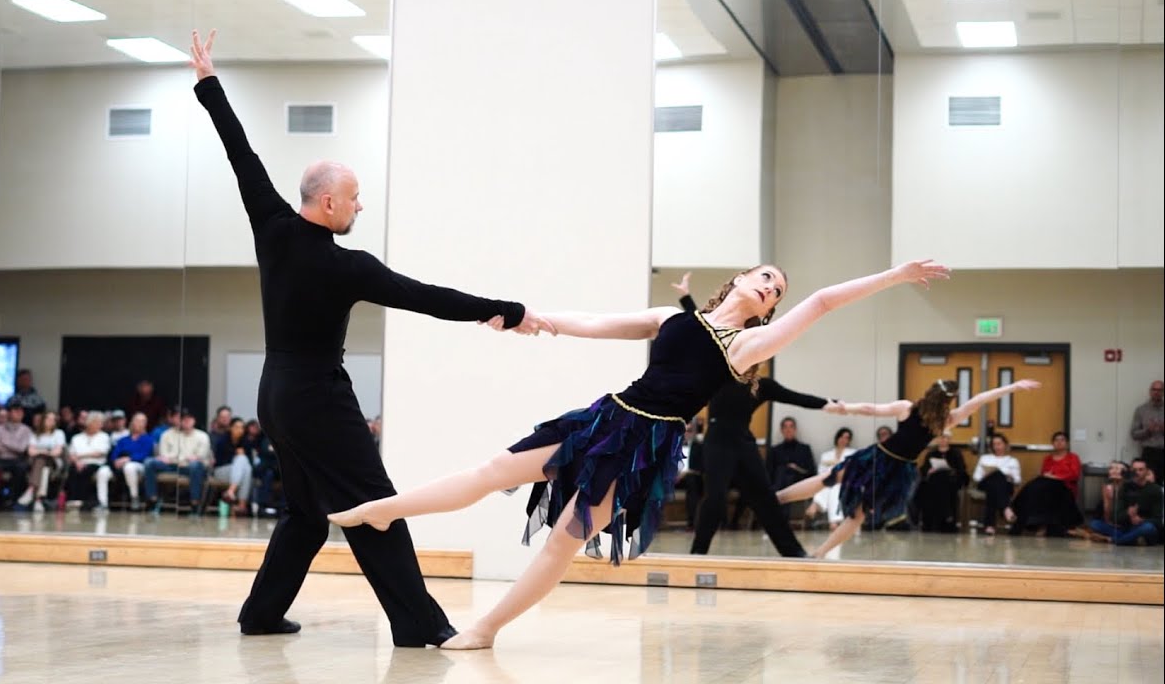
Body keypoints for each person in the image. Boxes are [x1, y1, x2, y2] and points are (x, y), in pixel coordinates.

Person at [331, 258, 951, 649]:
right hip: (604, 418)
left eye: (777, 289)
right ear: (737, 280)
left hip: (645, 448)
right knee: (494, 471)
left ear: (769, 310)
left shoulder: (747, 347)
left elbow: (821, 303)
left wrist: (895, 276)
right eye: (764, 276)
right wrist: (532, 318)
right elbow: (599, 323)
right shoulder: (673, 318)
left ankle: (486, 629)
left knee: (563, 542)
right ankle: (385, 509)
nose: (770, 287)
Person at [188, 30, 549, 645]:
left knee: (306, 511)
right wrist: (506, 310)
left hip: (273, 395)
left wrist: (209, 84)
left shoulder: (271, 225)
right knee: (374, 504)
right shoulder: (346, 266)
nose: (359, 207)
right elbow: (429, 298)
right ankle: (419, 625)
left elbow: (240, 154)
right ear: (327, 202)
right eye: (353, 199)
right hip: (317, 397)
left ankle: (261, 613)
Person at [776, 377, 1039, 558]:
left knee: (829, 478)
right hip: (895, 468)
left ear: (929, 394)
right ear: (948, 401)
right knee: (857, 514)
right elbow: (979, 400)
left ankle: (778, 499)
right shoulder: (947, 420)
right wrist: (1013, 387)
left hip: (881, 459)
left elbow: (870, 409)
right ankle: (818, 553)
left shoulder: (908, 408)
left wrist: (844, 409)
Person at [672, 277, 835, 557]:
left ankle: (794, 554)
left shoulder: (762, 386)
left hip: (743, 443)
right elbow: (704, 332)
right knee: (716, 498)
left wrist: (831, 404)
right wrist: (686, 297)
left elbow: (798, 398)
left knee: (765, 499)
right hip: (717, 440)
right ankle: (698, 553)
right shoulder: (720, 372)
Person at [971, 433, 1022, 535]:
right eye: (994, 444)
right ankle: (1006, 508)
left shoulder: (1013, 461)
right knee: (996, 476)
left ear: (1005, 445)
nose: (997, 446)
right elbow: (976, 477)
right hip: (985, 484)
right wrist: (986, 475)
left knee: (995, 484)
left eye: (999, 444)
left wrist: (1009, 477)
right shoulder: (985, 458)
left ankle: (989, 526)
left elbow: (1017, 480)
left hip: (1005, 486)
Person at [1130, 380, 1164, 482]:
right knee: (1147, 484)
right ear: (1150, 391)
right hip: (1149, 453)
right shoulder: (1141, 410)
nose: (1156, 392)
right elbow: (1134, 434)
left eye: (1160, 390)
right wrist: (1148, 430)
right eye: (1154, 389)